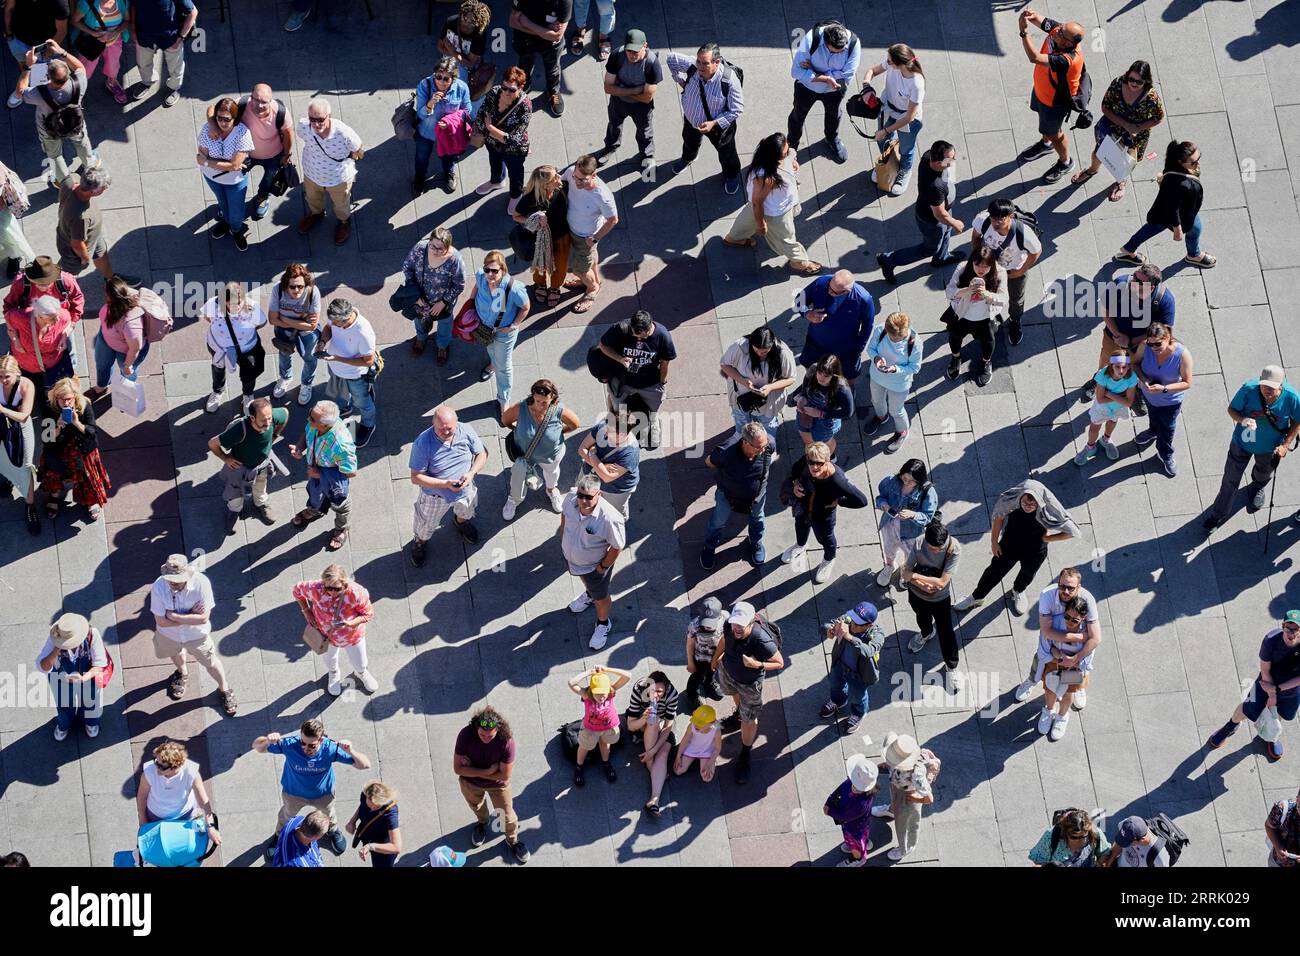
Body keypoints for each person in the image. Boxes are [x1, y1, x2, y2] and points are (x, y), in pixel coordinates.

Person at [253, 717, 372, 861]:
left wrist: (351, 751)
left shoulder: (331, 749)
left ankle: (332, 831)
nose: (305, 748)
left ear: (321, 740)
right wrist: (267, 740)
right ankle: (279, 836)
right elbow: (257, 747)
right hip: (293, 793)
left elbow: (365, 764)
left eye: (311, 745)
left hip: (323, 795)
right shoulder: (289, 744)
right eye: (302, 742)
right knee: (286, 816)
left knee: (329, 815)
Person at [957, 478, 1080, 616]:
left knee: (1027, 574)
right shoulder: (1011, 501)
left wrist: (1048, 538)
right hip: (1010, 545)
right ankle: (977, 597)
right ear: (1020, 497)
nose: (1027, 506)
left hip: (1035, 550)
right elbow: (999, 517)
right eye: (1025, 502)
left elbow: (1072, 531)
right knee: (993, 572)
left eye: (1032, 503)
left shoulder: (1048, 509)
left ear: (1039, 502)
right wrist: (994, 541)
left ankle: (1018, 591)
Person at [1202, 365, 1300, 530]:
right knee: (1230, 480)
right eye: (1264, 385)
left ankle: (1257, 488)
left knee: (1264, 473)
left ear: (1281, 385)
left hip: (1269, 448)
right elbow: (1232, 409)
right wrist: (1242, 420)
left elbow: (1297, 421)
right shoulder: (1248, 389)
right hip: (1242, 443)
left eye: (1272, 387)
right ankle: (1218, 514)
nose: (1266, 390)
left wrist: (1285, 445)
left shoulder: (1292, 398)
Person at [1206, 610, 1300, 762]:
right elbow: (1265, 669)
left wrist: (1277, 691)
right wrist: (1272, 694)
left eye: (1296, 629)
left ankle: (1270, 735)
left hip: (1290, 691)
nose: (1292, 633)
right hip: (1265, 683)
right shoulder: (1271, 640)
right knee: (1246, 708)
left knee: (1278, 715)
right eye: (1289, 628)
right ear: (1282, 626)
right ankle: (1230, 726)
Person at [723, 131, 821, 274]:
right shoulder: (766, 178)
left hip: (761, 207)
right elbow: (758, 203)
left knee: (745, 220)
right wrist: (761, 224)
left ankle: (733, 238)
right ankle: (799, 262)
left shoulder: (765, 157)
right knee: (786, 238)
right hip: (777, 212)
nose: (788, 153)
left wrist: (792, 162)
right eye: (784, 154)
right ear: (774, 158)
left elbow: (790, 154)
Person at [1079, 263, 1175, 410]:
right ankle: (1098, 382)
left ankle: (1136, 390)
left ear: (1152, 287)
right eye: (1135, 276)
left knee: (1138, 368)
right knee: (1106, 362)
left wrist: (1132, 341)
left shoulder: (1165, 300)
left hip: (1143, 344)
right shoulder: (1120, 284)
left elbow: (1165, 332)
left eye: (1140, 281)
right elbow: (1105, 311)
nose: (1133, 281)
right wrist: (1118, 335)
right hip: (1114, 337)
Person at [150, 553, 236, 715]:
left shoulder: (201, 583)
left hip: (197, 635)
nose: (172, 583)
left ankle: (224, 688)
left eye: (176, 579)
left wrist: (174, 616)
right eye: (169, 578)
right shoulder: (159, 586)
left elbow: (203, 618)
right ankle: (182, 673)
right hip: (169, 634)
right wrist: (191, 616)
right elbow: (161, 621)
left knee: (210, 661)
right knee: (175, 654)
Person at [710, 601, 783, 785]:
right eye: (735, 623)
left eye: (741, 625)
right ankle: (737, 715)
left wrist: (757, 664)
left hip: (750, 683)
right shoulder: (730, 626)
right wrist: (716, 657)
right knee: (733, 695)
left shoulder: (760, 639)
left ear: (751, 623)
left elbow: (779, 662)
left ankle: (745, 755)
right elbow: (724, 639)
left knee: (749, 719)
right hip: (728, 672)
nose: (737, 628)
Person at [1070, 60, 1164, 202]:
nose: (1134, 83)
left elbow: (1159, 118)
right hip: (1113, 128)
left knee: (1127, 163)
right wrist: (1126, 125)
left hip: (1135, 137)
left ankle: (1121, 182)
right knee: (1098, 153)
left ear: (1146, 81)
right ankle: (1092, 170)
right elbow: (1105, 107)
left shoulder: (1152, 98)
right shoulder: (1118, 84)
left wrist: (1137, 128)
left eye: (1139, 82)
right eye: (1131, 79)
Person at [1114, 140, 1215, 268]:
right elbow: (1173, 208)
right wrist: (1177, 229)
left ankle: (1129, 249)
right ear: (1181, 162)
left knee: (1151, 228)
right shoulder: (1180, 184)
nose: (1198, 163)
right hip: (1174, 215)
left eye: (1199, 158)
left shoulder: (1174, 166)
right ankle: (1193, 255)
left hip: (1169, 212)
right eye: (1194, 162)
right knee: (1195, 229)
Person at [3, 257, 85, 411]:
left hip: (62, 325)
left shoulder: (66, 281)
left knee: (69, 355)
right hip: (29, 325)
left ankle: (70, 380)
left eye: (47, 282)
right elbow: (8, 309)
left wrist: (68, 330)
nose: (43, 286)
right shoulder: (22, 284)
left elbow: (77, 302)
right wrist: (14, 338)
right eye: (39, 283)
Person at [1012, 566, 1100, 711]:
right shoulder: (1047, 595)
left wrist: (1075, 658)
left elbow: (1095, 639)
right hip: (1051, 645)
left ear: (1079, 587)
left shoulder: (1087, 600)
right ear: (1058, 583)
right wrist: (1078, 637)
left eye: (1070, 588)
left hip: (1075, 654)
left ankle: (1077, 688)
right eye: (1062, 586)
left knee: (1075, 678)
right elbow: (1047, 631)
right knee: (1040, 665)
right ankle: (1032, 681)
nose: (1065, 591)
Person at [780, 440, 868, 584]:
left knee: (825, 538)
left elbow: (862, 501)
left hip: (823, 514)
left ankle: (829, 559)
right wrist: (795, 483)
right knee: (800, 526)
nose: (814, 467)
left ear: (827, 461)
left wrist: (839, 502)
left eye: (819, 463)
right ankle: (800, 546)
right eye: (811, 462)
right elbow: (796, 468)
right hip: (803, 506)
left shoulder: (837, 480)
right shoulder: (808, 460)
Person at [876, 140, 965, 284]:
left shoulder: (927, 156)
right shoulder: (935, 186)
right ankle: (889, 260)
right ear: (937, 163)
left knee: (946, 232)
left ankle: (941, 258)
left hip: (938, 210)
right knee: (930, 248)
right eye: (950, 159)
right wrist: (955, 223)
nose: (954, 160)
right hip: (933, 221)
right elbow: (940, 214)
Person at [408, 404, 487, 563]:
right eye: (440, 429)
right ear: (433, 424)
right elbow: (416, 477)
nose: (445, 432)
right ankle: (420, 542)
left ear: (457, 422)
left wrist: (471, 473)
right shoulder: (422, 444)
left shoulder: (466, 430)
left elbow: (481, 454)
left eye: (449, 428)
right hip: (435, 495)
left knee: (466, 510)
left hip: (465, 489)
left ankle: (461, 523)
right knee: (425, 523)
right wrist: (445, 484)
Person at [1015, 8, 1085, 184]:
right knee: (1047, 128)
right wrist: (1029, 15)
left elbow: (1035, 57)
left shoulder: (1068, 59)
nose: (1057, 31)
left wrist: (1023, 32)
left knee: (1055, 133)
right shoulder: (1059, 32)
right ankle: (1046, 144)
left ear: (1070, 43)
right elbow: (1041, 20)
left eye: (1062, 33)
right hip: (1041, 91)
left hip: (1054, 102)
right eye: (1060, 28)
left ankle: (1065, 162)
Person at [664, 43, 744, 194]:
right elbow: (671, 59)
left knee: (727, 154)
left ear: (717, 62)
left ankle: (731, 175)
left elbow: (736, 109)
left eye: (705, 63)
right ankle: (689, 158)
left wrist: (714, 123)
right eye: (698, 61)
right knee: (689, 141)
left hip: (719, 127)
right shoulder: (693, 67)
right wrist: (682, 82)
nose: (700, 67)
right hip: (692, 119)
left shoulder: (728, 81)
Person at [453, 705, 529, 863]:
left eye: (490, 736)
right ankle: (482, 823)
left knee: (506, 816)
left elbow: (505, 774)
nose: (486, 738)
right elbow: (458, 769)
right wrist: (488, 772)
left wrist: (471, 768)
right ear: (476, 728)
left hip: (498, 785)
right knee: (476, 805)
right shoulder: (465, 735)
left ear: (498, 730)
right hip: (471, 783)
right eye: (482, 734)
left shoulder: (506, 740)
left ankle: (512, 839)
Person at [17, 42, 98, 188]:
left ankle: (62, 180)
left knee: (54, 155)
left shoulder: (38, 93)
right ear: (68, 73)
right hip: (75, 123)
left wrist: (28, 67)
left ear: (48, 79)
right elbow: (80, 67)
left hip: (49, 130)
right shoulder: (79, 82)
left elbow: (20, 92)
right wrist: (62, 52)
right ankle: (90, 164)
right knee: (82, 142)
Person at [560, 473, 626, 650]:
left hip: (593, 566)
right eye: (581, 495)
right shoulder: (571, 497)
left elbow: (617, 546)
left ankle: (603, 624)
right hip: (574, 560)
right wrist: (563, 536)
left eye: (588, 497)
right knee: (588, 585)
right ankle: (589, 594)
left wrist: (602, 567)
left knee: (601, 597)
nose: (583, 500)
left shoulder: (610, 519)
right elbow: (565, 515)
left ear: (599, 494)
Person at [292, 564, 377, 695]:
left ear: (345, 583)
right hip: (325, 635)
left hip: (353, 636)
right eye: (328, 587)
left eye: (336, 589)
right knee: (329, 659)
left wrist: (350, 623)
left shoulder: (357, 593)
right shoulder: (315, 588)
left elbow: (368, 614)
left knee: (360, 661)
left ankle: (361, 673)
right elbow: (297, 591)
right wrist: (306, 610)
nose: (331, 592)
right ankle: (334, 673)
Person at [207, 396, 287, 534]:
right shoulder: (239, 430)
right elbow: (212, 443)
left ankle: (261, 503)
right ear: (252, 418)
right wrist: (226, 459)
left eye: (269, 418)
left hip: (261, 466)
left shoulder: (270, 417)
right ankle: (234, 510)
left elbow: (285, 413)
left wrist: (276, 435)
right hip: (239, 470)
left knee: (261, 488)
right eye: (263, 420)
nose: (268, 423)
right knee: (235, 494)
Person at [466, 249, 530, 420]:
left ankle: (504, 400)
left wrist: (514, 326)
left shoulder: (514, 288)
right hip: (483, 328)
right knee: (491, 350)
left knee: (505, 367)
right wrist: (470, 304)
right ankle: (493, 364)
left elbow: (525, 307)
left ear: (503, 270)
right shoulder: (481, 276)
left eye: (495, 270)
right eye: (487, 269)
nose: (490, 274)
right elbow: (476, 287)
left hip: (504, 332)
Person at [502, 378, 579, 519]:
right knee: (518, 476)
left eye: (545, 402)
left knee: (552, 473)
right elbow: (506, 420)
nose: (541, 405)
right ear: (532, 396)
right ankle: (514, 499)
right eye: (537, 401)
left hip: (551, 454)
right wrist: (517, 430)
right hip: (526, 453)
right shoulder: (521, 408)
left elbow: (575, 424)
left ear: (553, 397)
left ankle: (551, 490)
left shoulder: (559, 410)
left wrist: (560, 432)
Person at [969, 198, 1041, 347]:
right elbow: (976, 236)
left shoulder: (1023, 233)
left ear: (1011, 216)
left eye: (1001, 219)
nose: (996, 223)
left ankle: (1015, 321)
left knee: (1016, 299)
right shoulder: (983, 220)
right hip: (989, 270)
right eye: (994, 218)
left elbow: (1036, 252)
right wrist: (978, 259)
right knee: (986, 294)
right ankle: (991, 316)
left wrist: (1020, 271)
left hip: (1012, 272)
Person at [597, 309, 673, 449]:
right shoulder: (621, 328)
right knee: (617, 404)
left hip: (649, 380)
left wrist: (662, 381)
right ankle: (614, 420)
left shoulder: (662, 335)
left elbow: (665, 362)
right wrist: (620, 359)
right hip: (622, 379)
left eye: (639, 334)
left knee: (655, 403)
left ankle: (653, 419)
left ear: (648, 328)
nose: (635, 336)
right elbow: (602, 345)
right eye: (633, 332)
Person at [901, 517, 962, 692]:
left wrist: (915, 577)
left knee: (946, 632)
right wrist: (923, 583)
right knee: (921, 617)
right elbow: (905, 572)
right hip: (916, 594)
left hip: (940, 599)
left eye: (939, 549)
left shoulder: (954, 549)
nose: (935, 552)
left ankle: (951, 666)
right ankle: (926, 633)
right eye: (932, 548)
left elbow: (942, 583)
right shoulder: (920, 542)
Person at [787, 18, 859, 165]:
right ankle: (792, 145)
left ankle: (831, 138)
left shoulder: (853, 44)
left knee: (834, 114)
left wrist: (813, 70)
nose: (840, 54)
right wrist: (826, 78)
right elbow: (795, 72)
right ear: (826, 44)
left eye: (842, 52)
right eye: (834, 52)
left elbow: (847, 74)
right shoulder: (809, 39)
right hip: (806, 88)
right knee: (797, 115)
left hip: (834, 90)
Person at [700, 422, 771, 570]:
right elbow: (709, 462)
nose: (764, 450)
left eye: (765, 445)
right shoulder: (726, 451)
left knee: (758, 519)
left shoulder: (768, 444)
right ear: (745, 442)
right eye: (759, 447)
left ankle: (756, 542)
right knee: (718, 522)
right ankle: (709, 547)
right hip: (728, 496)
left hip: (757, 496)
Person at [288, 399, 357, 552]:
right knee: (315, 495)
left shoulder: (341, 444)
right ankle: (314, 511)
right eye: (309, 414)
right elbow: (307, 434)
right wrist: (299, 448)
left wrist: (319, 474)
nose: (308, 419)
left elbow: (351, 472)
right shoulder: (315, 424)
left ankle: (341, 529)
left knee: (341, 505)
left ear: (325, 425)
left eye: (312, 419)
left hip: (331, 481)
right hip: (316, 473)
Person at [38, 376, 109, 521]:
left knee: (86, 474)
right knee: (54, 472)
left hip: (81, 447)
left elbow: (92, 432)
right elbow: (46, 438)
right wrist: (58, 427)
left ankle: (90, 500)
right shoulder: (49, 408)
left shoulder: (84, 405)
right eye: (62, 399)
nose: (66, 402)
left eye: (69, 398)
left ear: (75, 396)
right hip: (58, 448)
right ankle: (55, 495)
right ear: (55, 397)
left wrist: (77, 423)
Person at [296, 98, 363, 247]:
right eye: (312, 119)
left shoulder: (343, 133)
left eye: (320, 119)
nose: (316, 124)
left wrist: (351, 158)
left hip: (338, 178)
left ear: (329, 116)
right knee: (312, 198)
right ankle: (316, 214)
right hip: (311, 173)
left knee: (341, 204)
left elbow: (358, 150)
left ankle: (344, 222)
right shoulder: (303, 127)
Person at [1031, 594, 1097, 740]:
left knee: (1067, 694)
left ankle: (1062, 716)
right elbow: (1047, 643)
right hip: (1055, 662)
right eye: (1067, 617)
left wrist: (1073, 662)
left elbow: (1088, 653)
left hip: (1074, 667)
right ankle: (1048, 711)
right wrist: (1059, 656)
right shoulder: (1055, 622)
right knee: (1049, 690)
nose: (1069, 622)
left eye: (1075, 620)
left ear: (1083, 619)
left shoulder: (1088, 631)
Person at [861, 43, 925, 195]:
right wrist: (866, 87)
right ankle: (887, 163)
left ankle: (905, 171)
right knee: (882, 141)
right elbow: (872, 71)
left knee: (906, 149)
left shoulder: (916, 83)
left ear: (899, 64)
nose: (887, 62)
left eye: (890, 60)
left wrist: (885, 130)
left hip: (907, 119)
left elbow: (909, 116)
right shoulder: (892, 65)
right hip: (887, 109)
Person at [797, 269, 877, 389]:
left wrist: (858, 349)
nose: (828, 291)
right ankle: (811, 386)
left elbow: (867, 326)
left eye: (834, 291)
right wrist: (807, 313)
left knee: (848, 377)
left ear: (847, 291)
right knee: (811, 367)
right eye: (829, 286)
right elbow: (799, 300)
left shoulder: (863, 299)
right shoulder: (821, 283)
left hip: (845, 349)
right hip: (816, 341)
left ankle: (847, 395)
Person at [1132, 322, 1193, 477]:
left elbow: (1187, 383)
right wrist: (1144, 379)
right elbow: (1135, 363)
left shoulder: (1182, 354)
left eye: (1158, 343)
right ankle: (1153, 431)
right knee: (1154, 417)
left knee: (1167, 428)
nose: (1154, 348)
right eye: (1151, 344)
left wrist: (1164, 389)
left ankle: (1165, 454)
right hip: (1150, 396)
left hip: (1170, 401)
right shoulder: (1145, 346)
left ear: (1168, 338)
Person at [720, 325, 797, 447]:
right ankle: (741, 435)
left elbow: (791, 378)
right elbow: (724, 364)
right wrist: (742, 380)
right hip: (741, 394)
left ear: (772, 344)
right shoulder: (740, 347)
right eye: (756, 351)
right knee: (741, 418)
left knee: (767, 424)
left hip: (769, 400)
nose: (760, 354)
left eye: (765, 352)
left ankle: (768, 445)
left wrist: (771, 387)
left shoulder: (783, 352)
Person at [225, 84, 293, 221]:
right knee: (234, 179)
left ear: (271, 101)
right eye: (256, 100)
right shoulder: (240, 104)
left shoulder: (280, 112)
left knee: (268, 181)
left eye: (264, 102)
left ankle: (262, 198)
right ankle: (232, 203)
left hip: (273, 155)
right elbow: (214, 111)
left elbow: (288, 134)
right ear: (251, 97)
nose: (260, 105)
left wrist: (286, 155)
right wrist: (213, 126)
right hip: (246, 154)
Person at [316, 298, 377, 448]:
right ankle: (345, 407)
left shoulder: (363, 332)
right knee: (339, 392)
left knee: (363, 403)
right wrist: (322, 342)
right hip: (335, 368)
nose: (333, 324)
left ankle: (368, 425)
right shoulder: (336, 319)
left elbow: (368, 361)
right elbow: (328, 328)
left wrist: (337, 358)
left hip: (355, 376)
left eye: (336, 323)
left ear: (346, 320)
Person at [943, 246, 1008, 388]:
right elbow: (949, 291)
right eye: (977, 264)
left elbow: (1004, 298)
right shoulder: (962, 268)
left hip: (985, 317)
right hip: (962, 314)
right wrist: (966, 290)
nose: (981, 269)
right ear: (972, 262)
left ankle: (986, 362)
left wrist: (987, 294)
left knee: (988, 340)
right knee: (954, 335)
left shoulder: (1000, 272)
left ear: (992, 265)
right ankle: (955, 358)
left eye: (986, 266)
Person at [818, 601, 886, 733]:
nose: (852, 625)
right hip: (840, 664)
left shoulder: (878, 633)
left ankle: (859, 713)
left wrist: (849, 637)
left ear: (869, 625)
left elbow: (869, 651)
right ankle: (838, 701)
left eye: (857, 623)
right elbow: (824, 626)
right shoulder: (848, 619)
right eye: (853, 620)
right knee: (835, 685)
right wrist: (829, 629)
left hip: (859, 673)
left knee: (858, 695)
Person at [870, 732, 940, 860]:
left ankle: (906, 848)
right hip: (897, 788)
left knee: (906, 826)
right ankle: (892, 811)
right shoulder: (905, 752)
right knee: (895, 804)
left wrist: (914, 798)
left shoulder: (916, 773)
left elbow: (929, 798)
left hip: (908, 797)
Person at [401, 226, 467, 362]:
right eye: (432, 246)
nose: (435, 251)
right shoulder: (420, 248)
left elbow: (459, 285)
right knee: (419, 320)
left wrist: (444, 302)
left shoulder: (455, 260)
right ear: (429, 241)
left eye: (440, 248)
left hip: (443, 303)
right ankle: (421, 338)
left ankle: (442, 345)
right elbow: (407, 268)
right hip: (420, 299)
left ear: (448, 247)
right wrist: (416, 296)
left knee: (444, 324)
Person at [562, 153, 618, 314]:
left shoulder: (602, 196)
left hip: (586, 236)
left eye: (582, 179)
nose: (577, 182)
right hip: (570, 228)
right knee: (590, 260)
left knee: (579, 269)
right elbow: (563, 179)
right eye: (575, 177)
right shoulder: (572, 172)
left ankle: (592, 288)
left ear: (594, 174)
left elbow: (613, 220)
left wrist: (594, 239)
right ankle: (590, 279)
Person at [36, 612, 105, 740]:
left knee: (91, 701)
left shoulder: (92, 634)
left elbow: (99, 665)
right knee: (63, 704)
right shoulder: (54, 638)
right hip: (61, 678)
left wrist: (83, 678)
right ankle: (64, 724)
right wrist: (56, 650)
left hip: (87, 675)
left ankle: (90, 722)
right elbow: (42, 667)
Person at [201, 280, 266, 416]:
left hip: (247, 349)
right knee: (218, 368)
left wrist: (243, 337)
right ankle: (218, 391)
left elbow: (261, 322)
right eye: (231, 303)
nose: (235, 307)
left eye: (239, 302)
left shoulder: (252, 308)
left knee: (249, 373)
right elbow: (207, 317)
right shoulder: (214, 304)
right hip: (218, 347)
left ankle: (248, 395)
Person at [596, 28, 658, 170]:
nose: (632, 54)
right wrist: (636, 90)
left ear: (645, 46)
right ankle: (610, 147)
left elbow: (647, 97)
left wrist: (621, 90)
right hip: (618, 103)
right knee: (614, 125)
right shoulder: (617, 55)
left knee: (645, 131)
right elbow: (608, 88)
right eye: (629, 50)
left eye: (636, 51)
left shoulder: (652, 63)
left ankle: (647, 155)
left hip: (641, 107)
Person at [197, 97, 253, 251]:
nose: (222, 122)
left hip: (235, 181)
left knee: (237, 211)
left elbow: (235, 165)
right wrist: (224, 165)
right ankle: (226, 221)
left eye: (227, 119)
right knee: (222, 203)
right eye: (219, 118)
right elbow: (201, 153)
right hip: (212, 178)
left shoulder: (243, 133)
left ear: (234, 118)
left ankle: (236, 230)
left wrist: (208, 162)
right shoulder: (208, 129)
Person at [473, 66, 532, 212]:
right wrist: (493, 132)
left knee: (515, 172)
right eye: (505, 87)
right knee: (494, 162)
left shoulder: (525, 106)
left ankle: (516, 195)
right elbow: (481, 115)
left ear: (521, 87)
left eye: (511, 90)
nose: (506, 92)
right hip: (492, 143)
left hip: (514, 149)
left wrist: (491, 128)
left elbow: (513, 139)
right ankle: (496, 181)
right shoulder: (494, 92)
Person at [56, 166, 132, 279]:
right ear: (93, 191)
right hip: (75, 253)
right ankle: (47, 287)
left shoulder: (70, 181)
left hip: (92, 236)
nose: (105, 189)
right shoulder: (81, 217)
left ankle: (111, 279)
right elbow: (76, 244)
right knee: (62, 276)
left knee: (101, 254)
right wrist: (85, 259)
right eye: (103, 188)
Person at [874, 458, 938, 589]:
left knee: (910, 554)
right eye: (904, 478)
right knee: (888, 547)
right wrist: (884, 505)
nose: (907, 482)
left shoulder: (928, 492)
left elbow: (928, 517)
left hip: (912, 531)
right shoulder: (891, 481)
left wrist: (913, 514)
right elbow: (880, 497)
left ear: (920, 480)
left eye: (912, 481)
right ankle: (890, 566)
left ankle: (906, 572)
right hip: (890, 524)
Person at [512, 164, 569, 309]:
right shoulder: (530, 198)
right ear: (545, 184)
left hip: (561, 234)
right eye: (554, 177)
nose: (558, 177)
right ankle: (540, 284)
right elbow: (516, 216)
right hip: (541, 237)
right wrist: (533, 219)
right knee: (540, 263)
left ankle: (555, 287)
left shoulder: (561, 188)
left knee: (561, 264)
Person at [85, 276, 150, 402]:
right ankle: (101, 387)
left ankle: (126, 392)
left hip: (126, 352)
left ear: (110, 297)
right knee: (102, 365)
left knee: (127, 374)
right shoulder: (118, 300)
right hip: (106, 339)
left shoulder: (131, 323)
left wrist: (127, 365)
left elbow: (135, 348)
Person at [413, 56, 471, 196]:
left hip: (449, 133)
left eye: (446, 78)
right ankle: (419, 179)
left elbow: (467, 110)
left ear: (453, 78)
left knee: (449, 157)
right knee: (421, 157)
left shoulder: (461, 88)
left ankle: (449, 173)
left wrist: (450, 122)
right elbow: (419, 115)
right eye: (438, 77)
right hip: (427, 132)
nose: (441, 81)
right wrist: (430, 104)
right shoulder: (424, 85)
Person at [137, 741, 219, 839]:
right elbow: (142, 796)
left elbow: (203, 801)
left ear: (175, 767)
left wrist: (210, 827)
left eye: (161, 766)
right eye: (156, 761)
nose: (156, 767)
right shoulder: (149, 772)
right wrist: (142, 819)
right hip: (155, 816)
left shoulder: (191, 772)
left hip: (185, 815)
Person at [867, 310, 922, 450]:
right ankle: (881, 417)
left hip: (899, 384)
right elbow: (871, 348)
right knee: (876, 401)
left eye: (896, 339)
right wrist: (876, 358)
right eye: (890, 337)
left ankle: (902, 431)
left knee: (896, 410)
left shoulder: (914, 343)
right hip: (877, 376)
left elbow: (914, 368)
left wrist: (895, 369)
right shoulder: (881, 330)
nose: (892, 340)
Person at [626, 669, 678, 817]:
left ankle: (654, 801)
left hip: (663, 725)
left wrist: (652, 751)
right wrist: (644, 718)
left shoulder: (672, 694)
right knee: (652, 723)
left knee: (662, 754)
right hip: (641, 723)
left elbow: (669, 725)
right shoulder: (638, 689)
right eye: (653, 690)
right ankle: (653, 769)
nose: (656, 695)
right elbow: (630, 725)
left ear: (666, 689)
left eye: (660, 691)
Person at [567, 665, 631, 785]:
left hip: (609, 727)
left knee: (605, 744)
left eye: (603, 694)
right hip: (590, 729)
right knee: (584, 747)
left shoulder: (611, 692)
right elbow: (571, 683)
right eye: (597, 693)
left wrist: (607, 670)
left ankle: (605, 763)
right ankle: (579, 767)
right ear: (591, 690)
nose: (601, 697)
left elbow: (628, 676)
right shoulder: (587, 695)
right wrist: (588, 672)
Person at [268, 263, 321, 406]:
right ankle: (285, 377)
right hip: (284, 331)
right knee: (284, 353)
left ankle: (306, 383)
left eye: (300, 286)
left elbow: (312, 325)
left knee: (309, 358)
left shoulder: (312, 292)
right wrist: (299, 321)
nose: (297, 290)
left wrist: (284, 319)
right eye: (292, 287)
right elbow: (272, 319)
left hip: (306, 333)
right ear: (286, 284)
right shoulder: (278, 290)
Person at [1074, 352, 1139, 465]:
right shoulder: (1103, 375)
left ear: (1128, 366)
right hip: (1102, 408)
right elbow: (1100, 400)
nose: (1121, 371)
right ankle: (1090, 447)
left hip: (1118, 407)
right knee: (1094, 427)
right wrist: (1121, 397)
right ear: (1111, 366)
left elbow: (1129, 403)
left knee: (1112, 422)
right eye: (1117, 367)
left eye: (1124, 367)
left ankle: (1106, 439)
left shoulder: (1132, 377)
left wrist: (1108, 393)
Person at [128, 0, 195, 107]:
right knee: (143, 63)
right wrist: (133, 30)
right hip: (144, 36)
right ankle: (147, 81)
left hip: (170, 38)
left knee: (176, 66)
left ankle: (174, 87)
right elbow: (134, 6)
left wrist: (181, 37)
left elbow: (193, 12)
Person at [0, 354, 40, 533]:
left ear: (17, 373)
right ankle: (6, 481)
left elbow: (24, 416)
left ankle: (30, 505)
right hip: (2, 424)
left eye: (7, 376)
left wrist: (2, 410)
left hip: (20, 428)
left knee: (25, 464)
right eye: (0, 376)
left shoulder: (26, 385)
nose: (3, 380)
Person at [509, 0, 569, 118]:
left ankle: (553, 92)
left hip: (550, 45)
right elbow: (513, 22)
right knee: (524, 67)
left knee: (553, 70)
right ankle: (523, 89)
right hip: (525, 40)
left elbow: (557, 35)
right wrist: (546, 31)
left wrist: (527, 23)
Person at [4, 0, 68, 110]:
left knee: (39, 77)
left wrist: (48, 53)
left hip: (42, 47)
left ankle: (34, 94)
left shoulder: (59, 2)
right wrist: (9, 35)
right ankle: (25, 86)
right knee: (22, 64)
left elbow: (61, 31)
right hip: (18, 40)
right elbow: (9, 9)